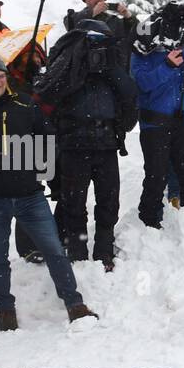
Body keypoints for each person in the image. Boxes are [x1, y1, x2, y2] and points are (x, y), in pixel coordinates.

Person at [0, 49, 95, 330]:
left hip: (30, 197)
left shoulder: (24, 106)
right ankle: (5, 310)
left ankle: (74, 303)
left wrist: (41, 171)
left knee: (54, 251)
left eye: (1, 76)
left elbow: (49, 138)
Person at [33, 18, 138, 270]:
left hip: (106, 145)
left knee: (108, 202)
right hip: (74, 146)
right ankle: (78, 252)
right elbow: (47, 98)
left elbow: (129, 97)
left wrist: (110, 67)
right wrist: (76, 65)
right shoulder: (67, 68)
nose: (97, 50)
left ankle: (103, 251)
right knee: (74, 204)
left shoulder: (113, 68)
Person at [130, 3, 184, 228]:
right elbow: (141, 84)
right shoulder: (142, 48)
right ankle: (149, 222)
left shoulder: (180, 46)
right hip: (154, 124)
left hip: (180, 122)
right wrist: (166, 65)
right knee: (156, 176)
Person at [64, 0, 138, 68]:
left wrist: (128, 16)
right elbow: (72, 25)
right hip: (83, 69)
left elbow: (136, 31)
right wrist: (92, 13)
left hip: (112, 68)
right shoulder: (74, 17)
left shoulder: (114, 20)